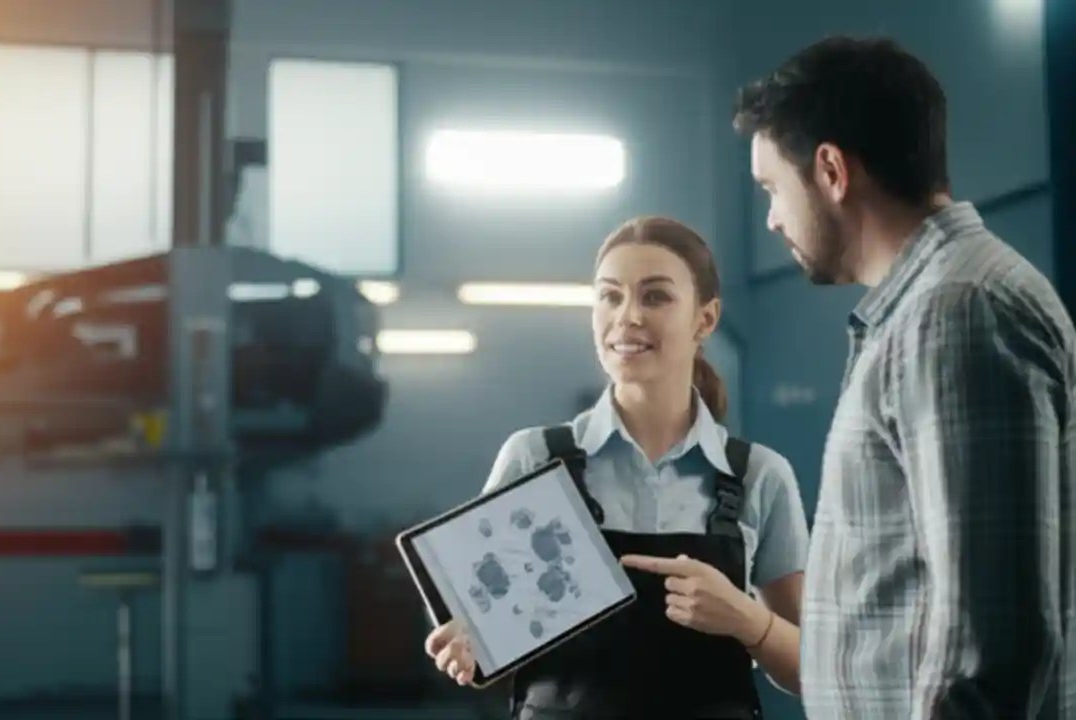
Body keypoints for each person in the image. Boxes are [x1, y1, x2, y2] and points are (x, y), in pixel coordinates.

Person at [733, 36, 1076, 719]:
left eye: (772, 188)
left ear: (830, 170)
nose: (771, 217)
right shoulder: (923, 311)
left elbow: (989, 648)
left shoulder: (956, 312)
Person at [424, 216, 810, 719]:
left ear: (706, 319)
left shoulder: (760, 476)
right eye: (609, 296)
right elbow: (478, 633)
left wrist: (748, 622)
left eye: (655, 297)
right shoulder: (535, 460)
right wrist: (469, 645)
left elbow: (813, 670)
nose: (626, 316)